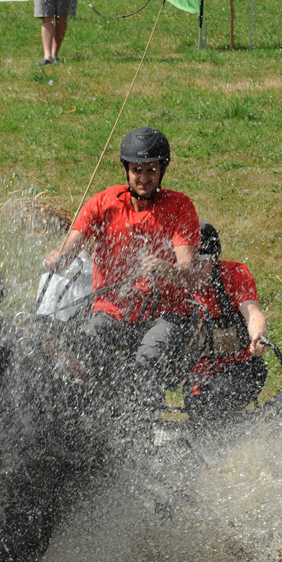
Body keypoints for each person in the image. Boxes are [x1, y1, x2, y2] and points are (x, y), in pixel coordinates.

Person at [44, 127, 208, 402]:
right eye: (137, 171)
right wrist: (57, 259)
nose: (143, 179)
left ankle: (142, 426)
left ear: (162, 171)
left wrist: (164, 268)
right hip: (111, 311)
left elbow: (190, 275)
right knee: (81, 353)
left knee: (148, 360)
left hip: (164, 314)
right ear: (126, 169)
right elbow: (69, 248)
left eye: (151, 171)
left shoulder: (180, 207)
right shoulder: (103, 203)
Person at [184, 221, 269, 424]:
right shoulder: (177, 284)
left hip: (242, 367)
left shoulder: (234, 274)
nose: (193, 270)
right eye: (188, 263)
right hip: (201, 374)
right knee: (198, 406)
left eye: (199, 262)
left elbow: (252, 312)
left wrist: (258, 334)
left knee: (220, 396)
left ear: (214, 258)